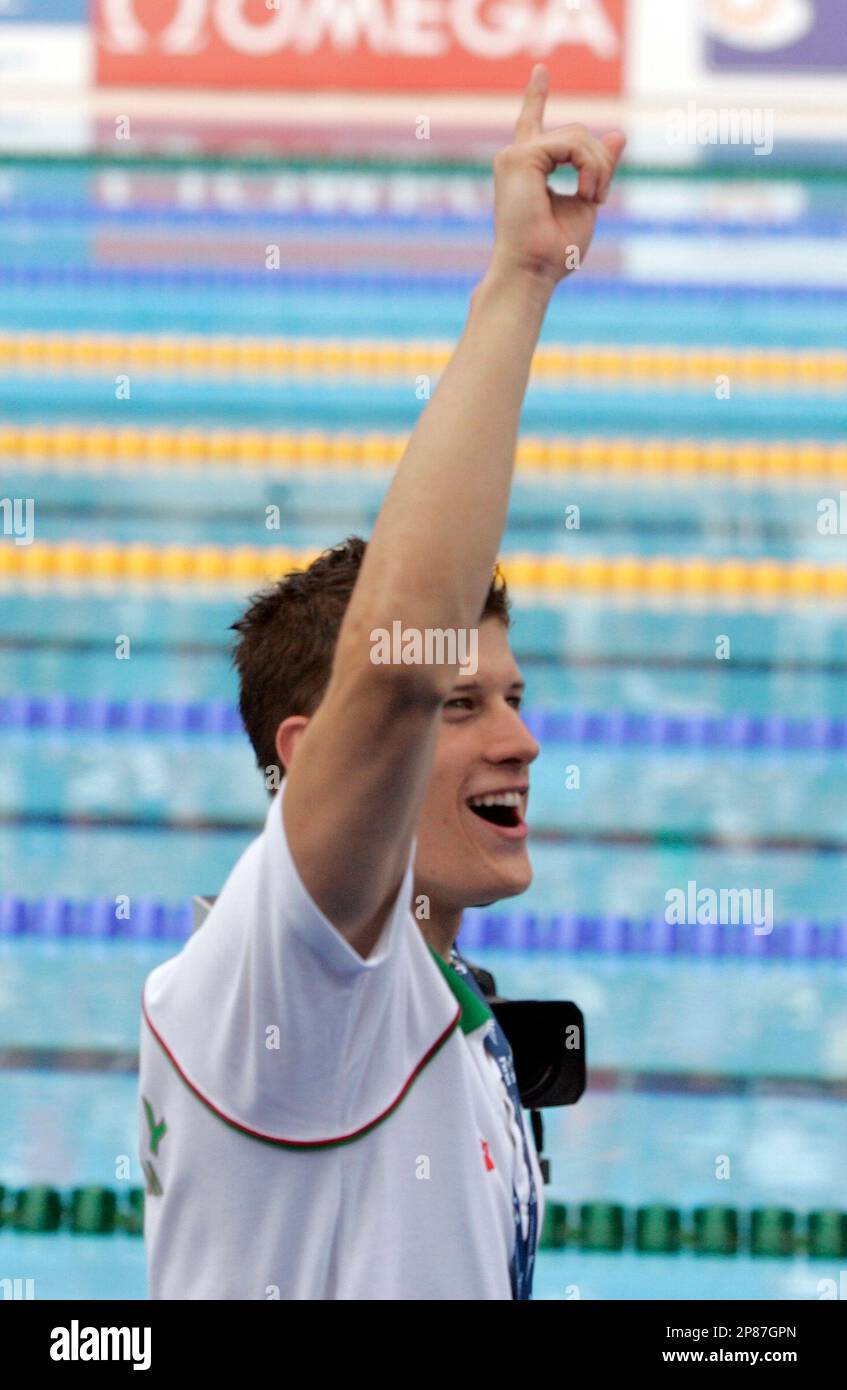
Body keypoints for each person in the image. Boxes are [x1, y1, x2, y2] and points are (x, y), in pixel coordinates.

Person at [138, 64, 626, 1301]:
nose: (516, 740)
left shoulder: (434, 998)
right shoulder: (291, 981)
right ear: (311, 756)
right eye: (459, 707)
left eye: (511, 697)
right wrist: (518, 285)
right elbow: (398, 653)